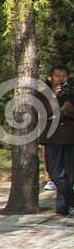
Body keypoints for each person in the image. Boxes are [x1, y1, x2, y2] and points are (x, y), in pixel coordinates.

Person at [42, 66, 74, 217]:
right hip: (52, 138)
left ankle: (62, 209)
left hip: (70, 138)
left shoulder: (72, 93)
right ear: (50, 78)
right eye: (57, 76)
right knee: (54, 173)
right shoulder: (43, 93)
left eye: (64, 76)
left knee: (69, 174)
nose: (61, 78)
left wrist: (68, 111)